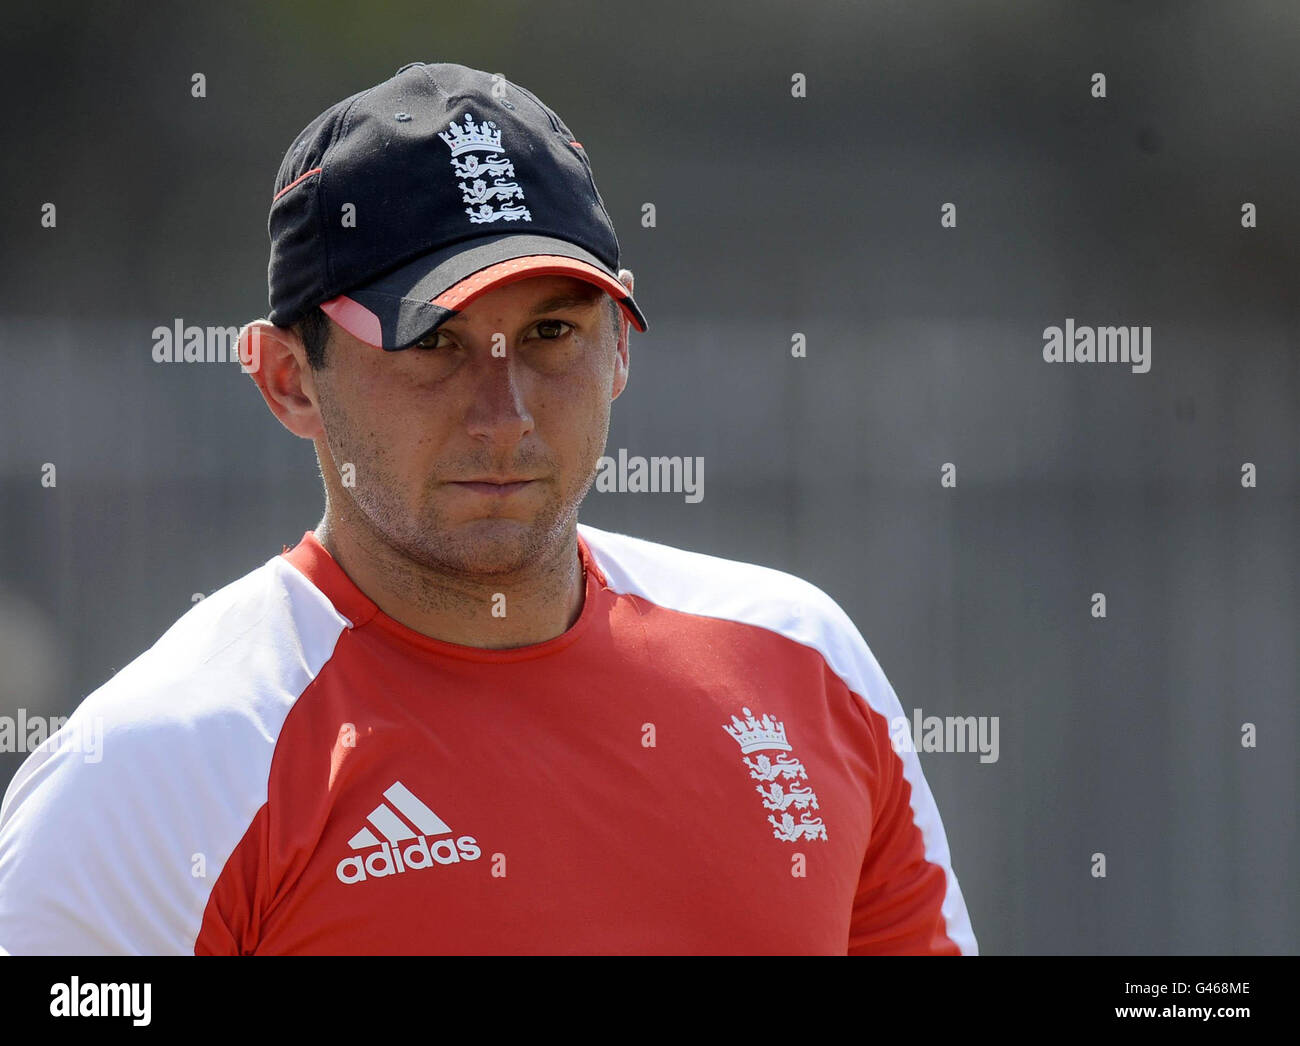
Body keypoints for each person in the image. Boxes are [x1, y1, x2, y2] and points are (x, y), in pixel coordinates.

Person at [0, 61, 977, 955]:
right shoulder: (155, 772)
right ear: (287, 378)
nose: (502, 415)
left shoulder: (802, 660)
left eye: (551, 331)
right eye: (432, 343)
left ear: (622, 346)